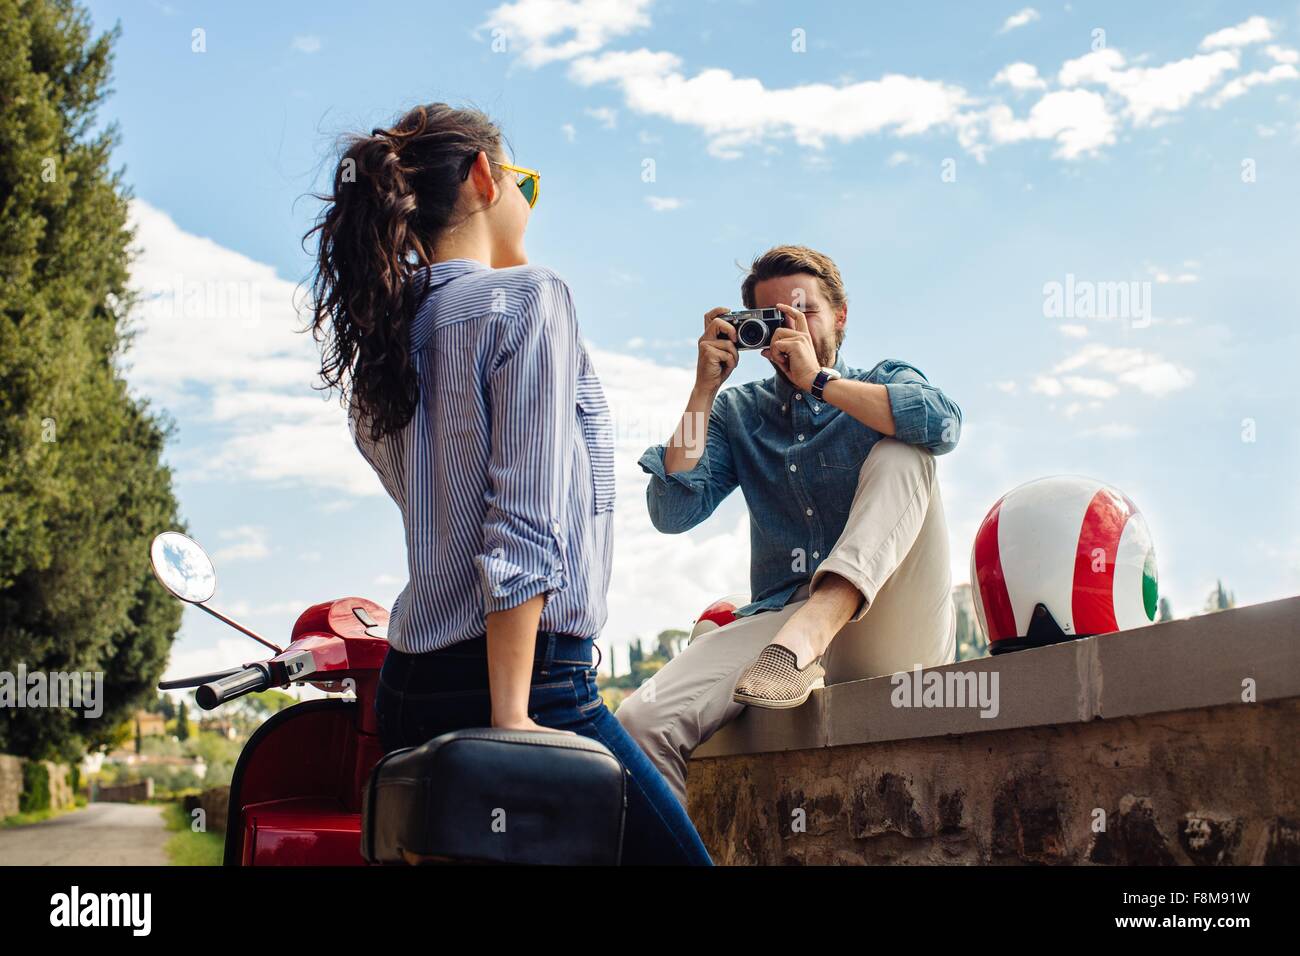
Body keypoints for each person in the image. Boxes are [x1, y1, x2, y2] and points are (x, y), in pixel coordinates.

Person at [304, 103, 711, 865]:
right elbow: (520, 520)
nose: (528, 199)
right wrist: (513, 716)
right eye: (526, 181)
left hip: (413, 686)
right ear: (486, 178)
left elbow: (437, 514)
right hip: (524, 681)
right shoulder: (528, 298)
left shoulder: (385, 342)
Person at [617, 245, 962, 806]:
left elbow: (942, 424)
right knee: (641, 722)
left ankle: (816, 626)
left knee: (906, 450)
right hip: (782, 626)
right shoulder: (739, 412)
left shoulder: (883, 378)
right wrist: (704, 390)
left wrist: (820, 382)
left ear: (841, 315)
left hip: (890, 624)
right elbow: (671, 511)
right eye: (772, 319)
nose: (788, 331)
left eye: (804, 313)